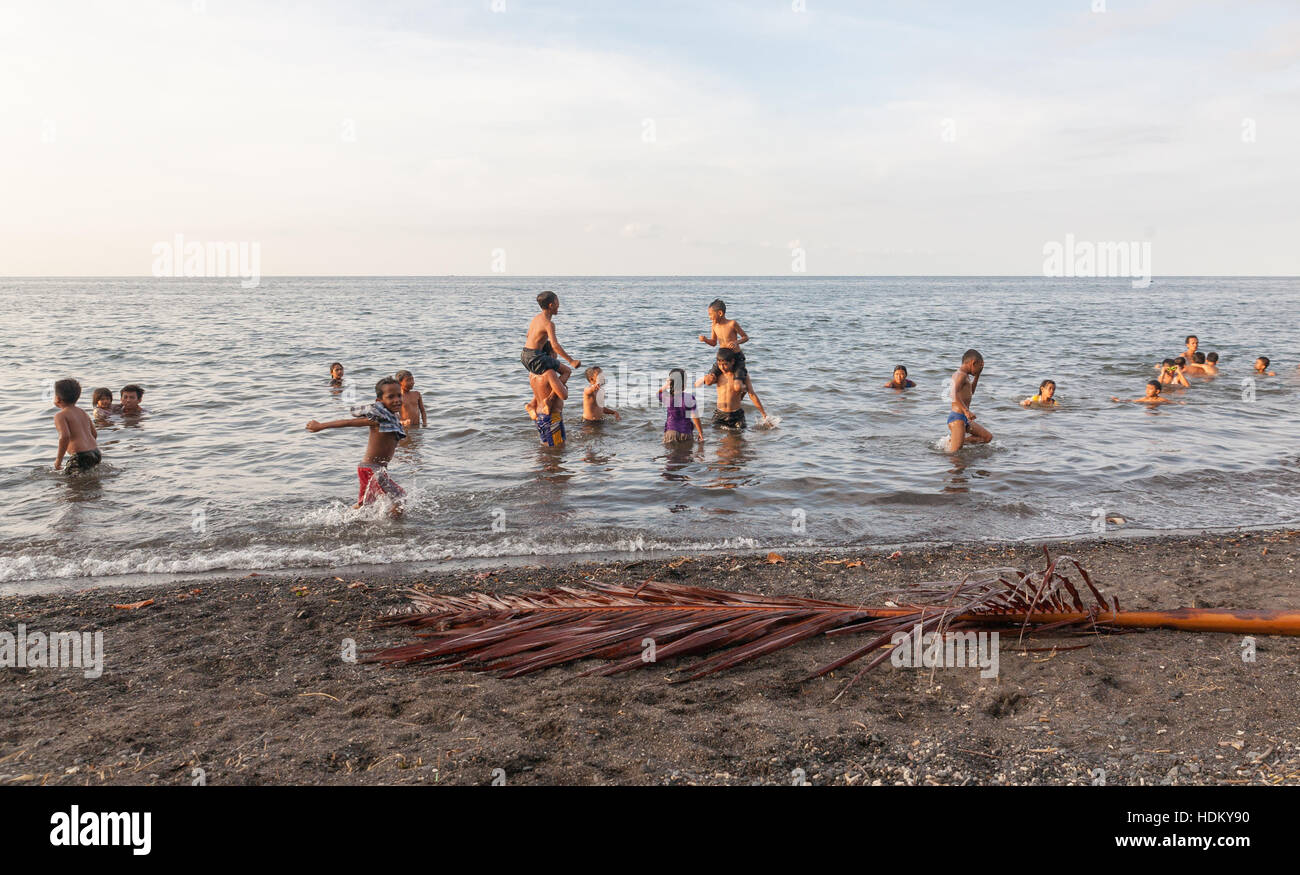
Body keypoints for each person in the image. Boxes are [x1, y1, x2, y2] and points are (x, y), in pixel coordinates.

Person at [305, 377, 407, 513]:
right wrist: (321, 426)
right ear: (380, 401)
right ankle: (394, 527)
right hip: (371, 469)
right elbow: (349, 422)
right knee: (399, 498)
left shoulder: (392, 418)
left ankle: (343, 520)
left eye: (399, 395)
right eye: (391, 397)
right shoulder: (377, 420)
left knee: (366, 505)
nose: (397, 400)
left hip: (371, 469)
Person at [521, 290, 580, 394]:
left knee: (550, 378)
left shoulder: (536, 318)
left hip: (524, 354)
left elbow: (528, 335)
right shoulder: (549, 324)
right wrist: (571, 361)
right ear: (551, 305)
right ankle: (550, 399)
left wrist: (542, 344)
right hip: (535, 357)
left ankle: (533, 404)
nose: (559, 305)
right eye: (557, 303)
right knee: (567, 371)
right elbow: (555, 345)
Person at [52, 379, 101, 473]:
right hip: (95, 452)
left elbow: (65, 436)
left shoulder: (60, 415)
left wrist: (59, 460)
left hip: (80, 455)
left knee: (72, 484)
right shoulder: (82, 412)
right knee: (90, 481)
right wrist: (89, 447)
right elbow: (94, 433)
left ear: (58, 398)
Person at [947, 349, 992, 452]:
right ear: (973, 363)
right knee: (955, 455)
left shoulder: (965, 375)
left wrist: (977, 375)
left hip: (964, 418)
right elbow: (953, 394)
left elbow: (971, 391)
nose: (980, 369)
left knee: (987, 438)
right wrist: (966, 411)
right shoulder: (960, 375)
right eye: (980, 366)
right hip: (957, 418)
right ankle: (955, 442)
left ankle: (954, 441)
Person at [659, 369, 702, 443]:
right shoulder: (689, 397)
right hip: (686, 431)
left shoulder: (667, 397)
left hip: (670, 431)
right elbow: (694, 416)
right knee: (687, 453)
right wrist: (700, 432)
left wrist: (666, 385)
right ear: (684, 384)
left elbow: (659, 392)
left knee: (671, 453)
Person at [527, 370, 568, 446]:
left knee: (546, 446)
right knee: (558, 448)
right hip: (552, 416)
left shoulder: (532, 373)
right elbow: (564, 395)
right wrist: (564, 388)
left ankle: (532, 404)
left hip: (539, 415)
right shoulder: (549, 373)